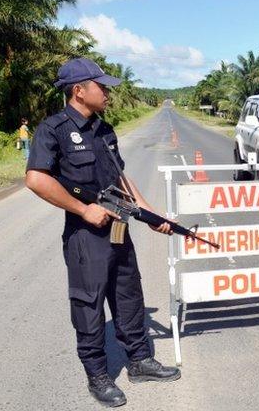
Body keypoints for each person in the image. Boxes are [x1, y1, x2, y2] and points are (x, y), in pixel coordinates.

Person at [25, 58, 180, 408]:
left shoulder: (104, 129)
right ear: (79, 91)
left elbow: (120, 179)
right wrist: (82, 209)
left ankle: (139, 361)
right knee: (89, 304)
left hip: (118, 229)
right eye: (102, 86)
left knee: (128, 294)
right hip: (84, 236)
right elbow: (36, 179)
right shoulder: (53, 129)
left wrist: (149, 213)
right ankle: (97, 375)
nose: (108, 92)